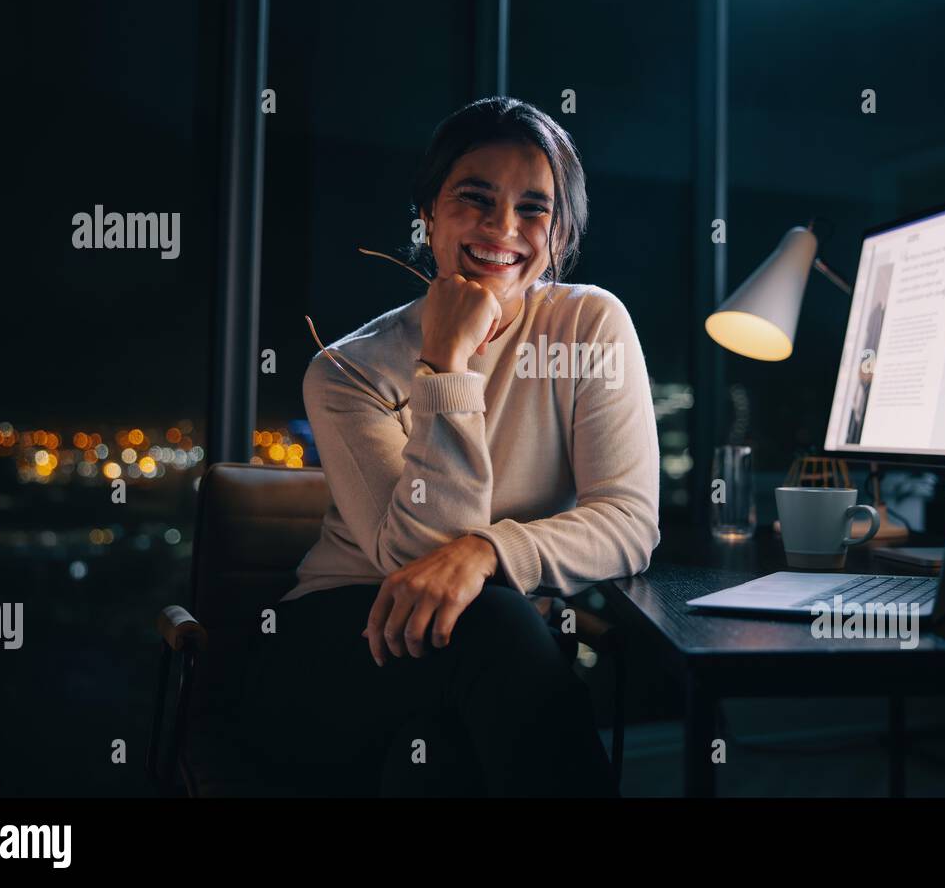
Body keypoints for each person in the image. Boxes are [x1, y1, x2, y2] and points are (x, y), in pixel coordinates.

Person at [238, 97, 661, 796]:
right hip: (338, 644)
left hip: (486, 650)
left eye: (534, 208)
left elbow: (628, 522)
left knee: (479, 664)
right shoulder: (347, 371)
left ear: (558, 236)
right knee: (491, 622)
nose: (504, 228)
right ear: (429, 211)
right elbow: (417, 557)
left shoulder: (590, 324)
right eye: (475, 198)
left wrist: (488, 551)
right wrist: (448, 365)